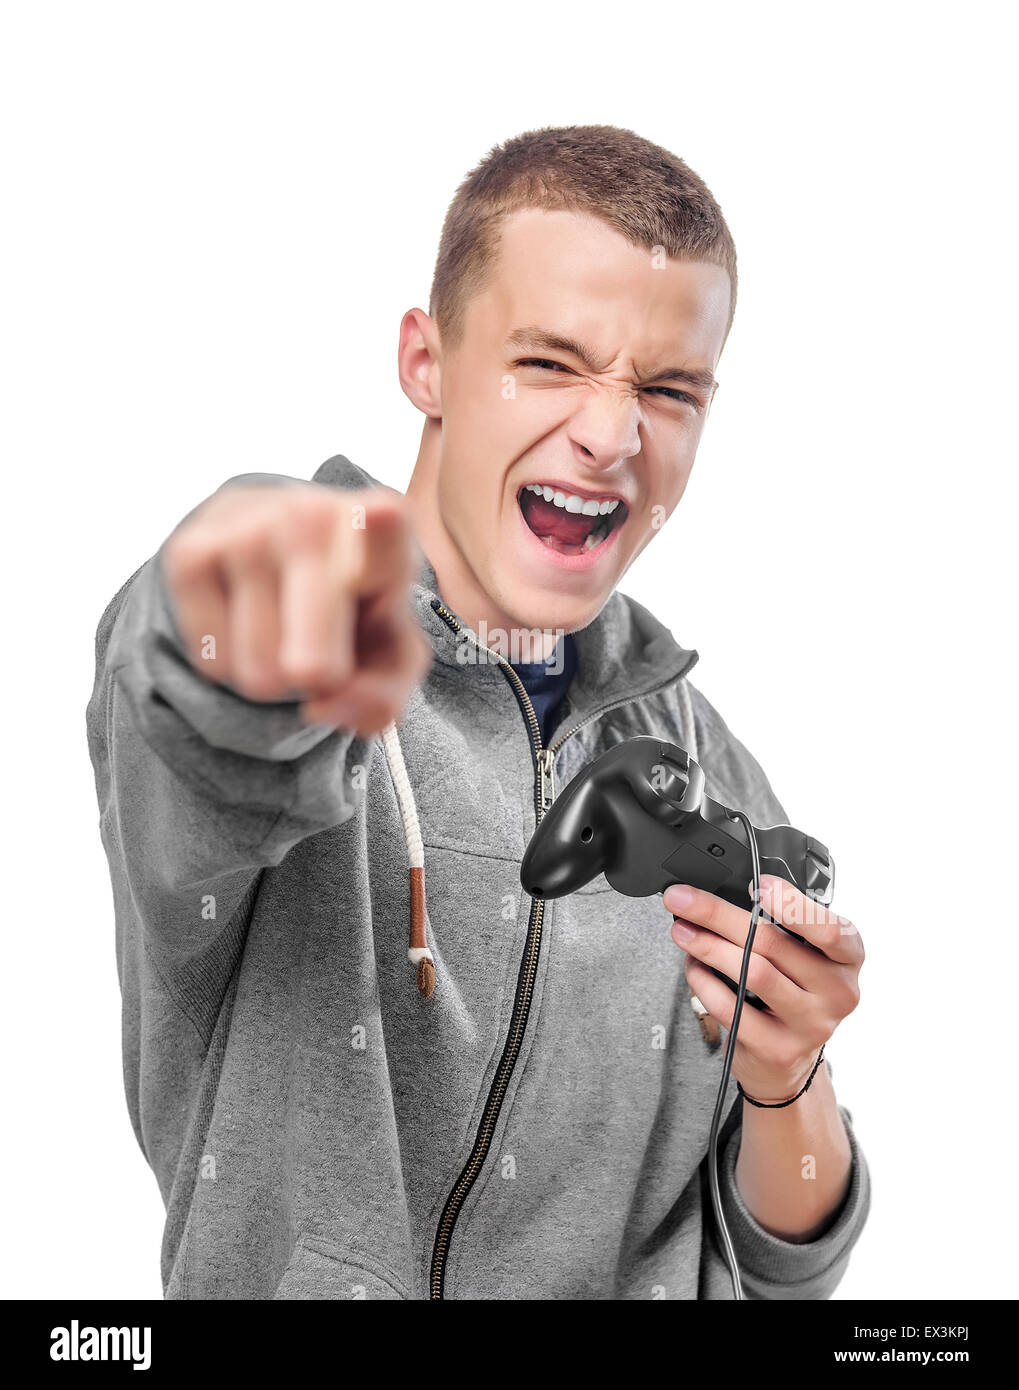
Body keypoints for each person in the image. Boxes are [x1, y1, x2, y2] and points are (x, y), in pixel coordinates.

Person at [86, 124, 870, 1300]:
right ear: (426, 362)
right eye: (549, 363)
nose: (612, 436)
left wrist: (786, 1074)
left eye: (666, 389)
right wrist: (253, 600)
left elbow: (778, 1264)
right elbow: (195, 701)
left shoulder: (708, 763)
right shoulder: (297, 663)